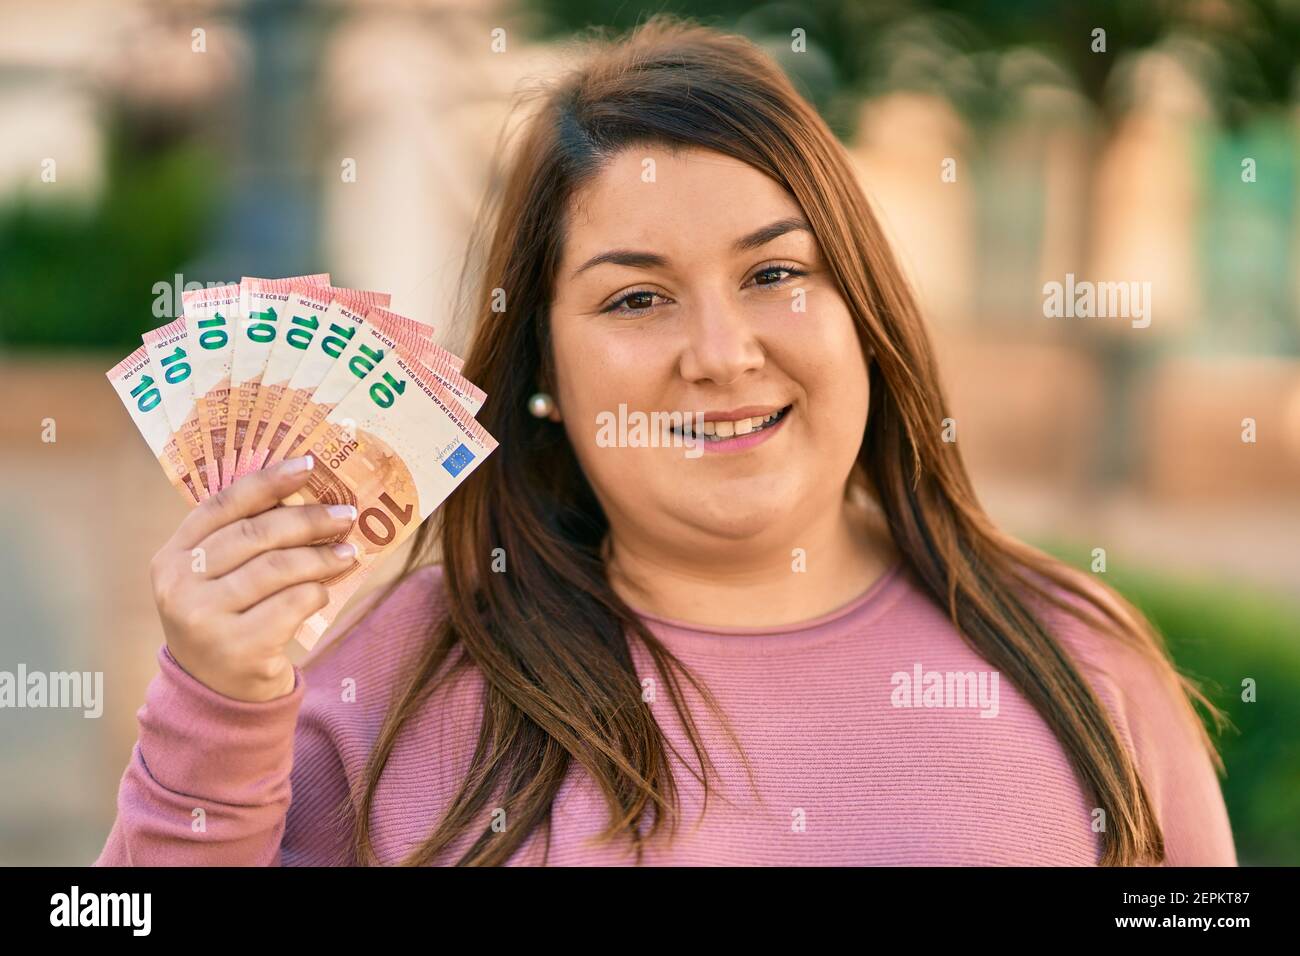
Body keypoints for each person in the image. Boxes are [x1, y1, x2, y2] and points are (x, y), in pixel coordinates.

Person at [95, 15, 1236, 866]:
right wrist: (213, 702)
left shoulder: (1082, 661)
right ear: (542, 366)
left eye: (776, 274)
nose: (721, 351)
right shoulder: (392, 678)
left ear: (865, 311)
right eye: (635, 298)